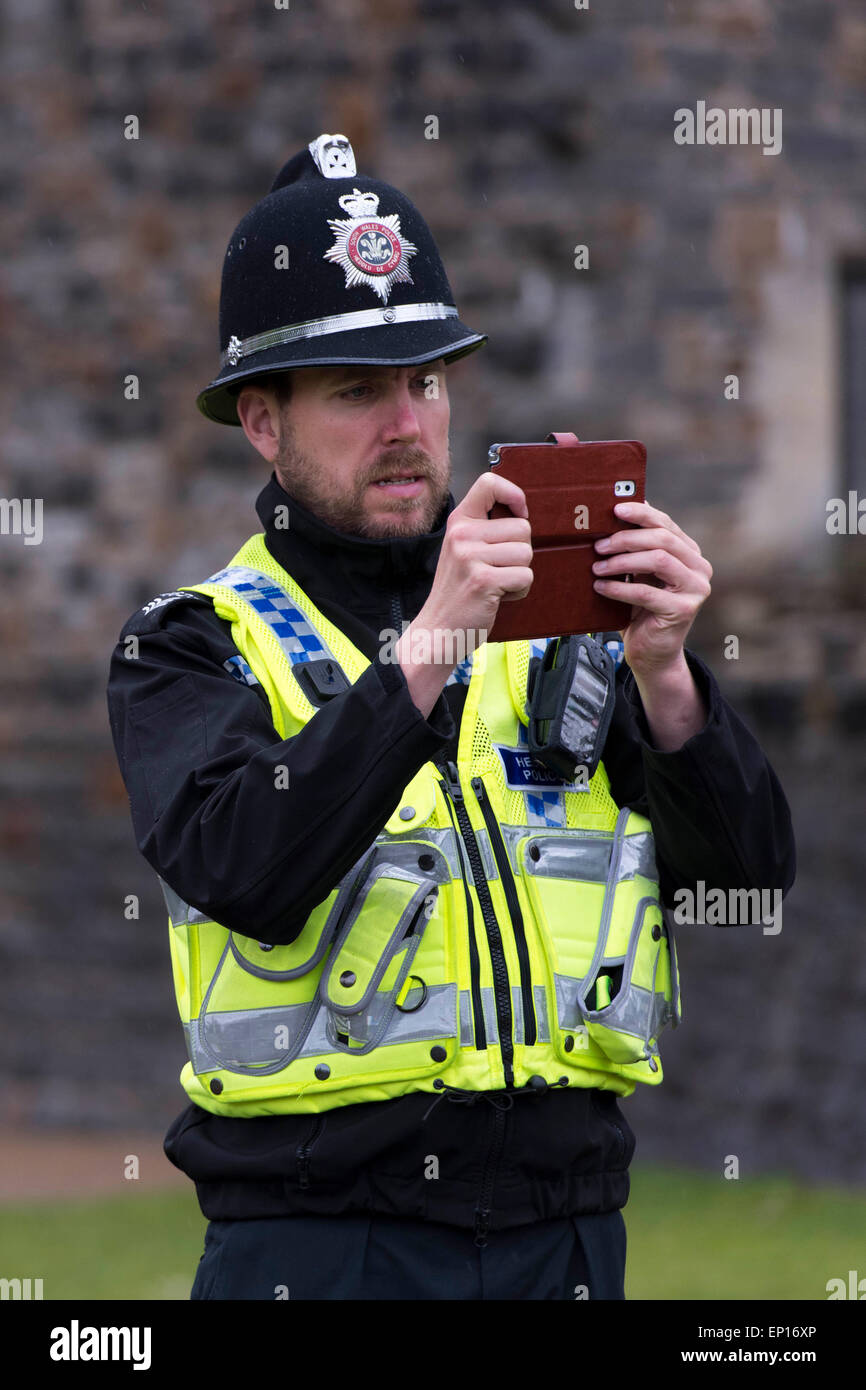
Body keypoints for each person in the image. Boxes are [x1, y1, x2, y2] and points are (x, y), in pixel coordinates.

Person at [106, 133, 796, 1301]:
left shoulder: (557, 629)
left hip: (569, 1242)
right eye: (355, 391)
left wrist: (669, 674)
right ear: (261, 422)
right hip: (321, 1250)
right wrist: (430, 647)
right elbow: (247, 868)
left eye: (424, 381)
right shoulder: (187, 643)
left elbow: (748, 878)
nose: (404, 424)